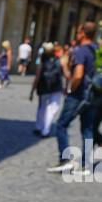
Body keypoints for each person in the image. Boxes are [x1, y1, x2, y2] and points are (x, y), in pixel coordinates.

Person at [47, 22, 99, 174]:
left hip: (79, 94)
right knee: (88, 129)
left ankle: (66, 159)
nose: (76, 35)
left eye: (78, 32)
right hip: (94, 94)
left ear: (83, 33)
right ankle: (86, 164)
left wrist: (70, 88)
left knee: (61, 125)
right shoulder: (97, 50)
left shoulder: (80, 51)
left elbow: (78, 75)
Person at [31, 43, 64, 137]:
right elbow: (66, 74)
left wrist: (32, 90)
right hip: (56, 87)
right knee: (52, 108)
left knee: (42, 107)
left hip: (44, 87)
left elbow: (37, 76)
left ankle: (39, 126)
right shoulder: (59, 61)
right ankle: (46, 129)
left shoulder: (42, 61)